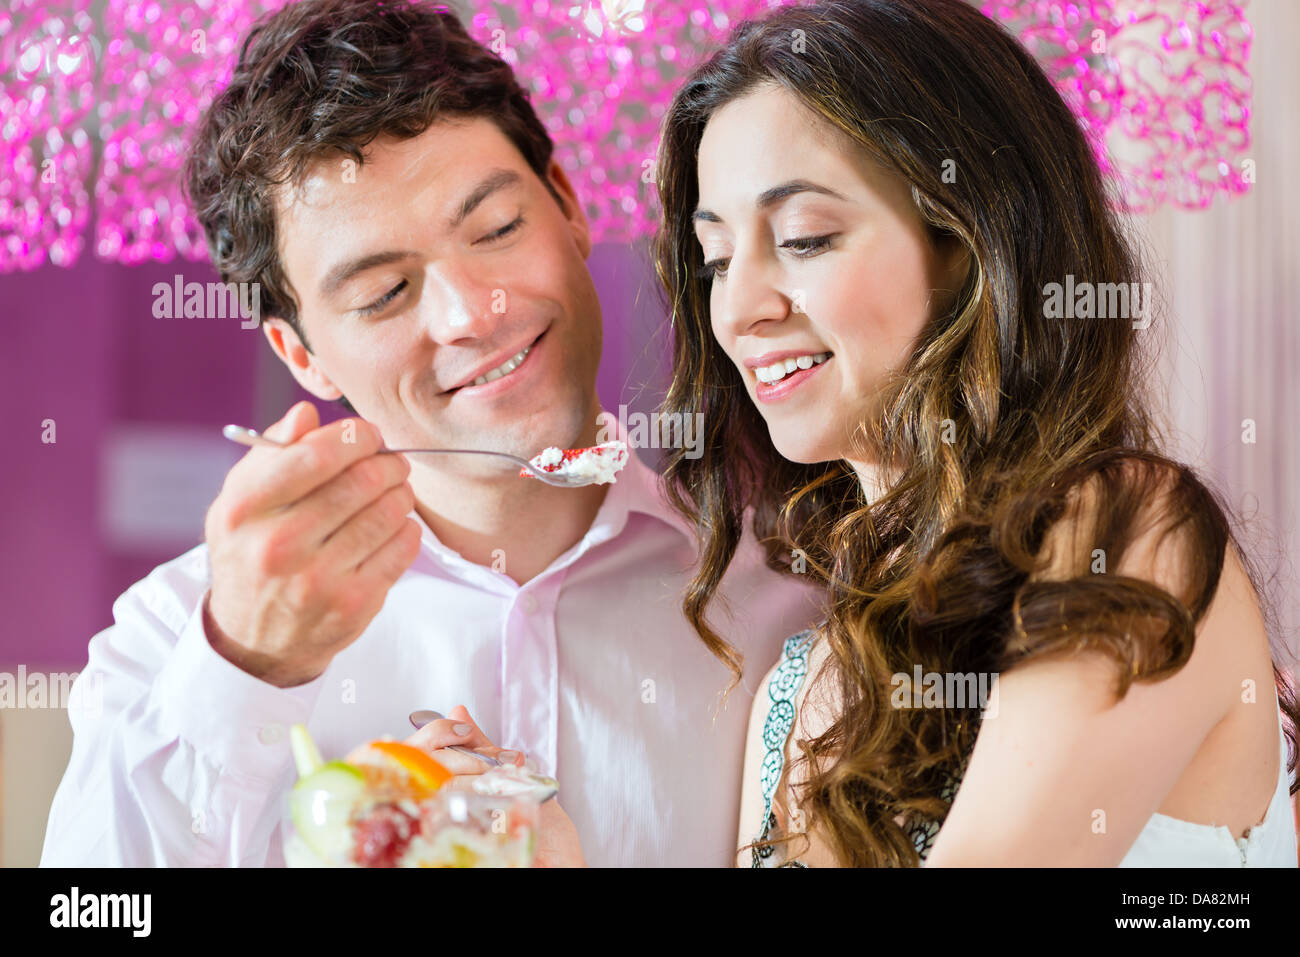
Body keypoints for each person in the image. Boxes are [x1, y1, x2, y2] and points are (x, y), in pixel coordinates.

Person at [39, 0, 824, 868]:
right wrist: (247, 669)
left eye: (496, 229)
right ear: (303, 356)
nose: (471, 314)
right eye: (382, 293)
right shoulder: (177, 642)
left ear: (566, 205)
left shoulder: (800, 584)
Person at [529, 0, 1300, 866]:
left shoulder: (1128, 529)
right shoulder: (803, 679)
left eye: (804, 239)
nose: (739, 310)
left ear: (967, 243)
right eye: (715, 260)